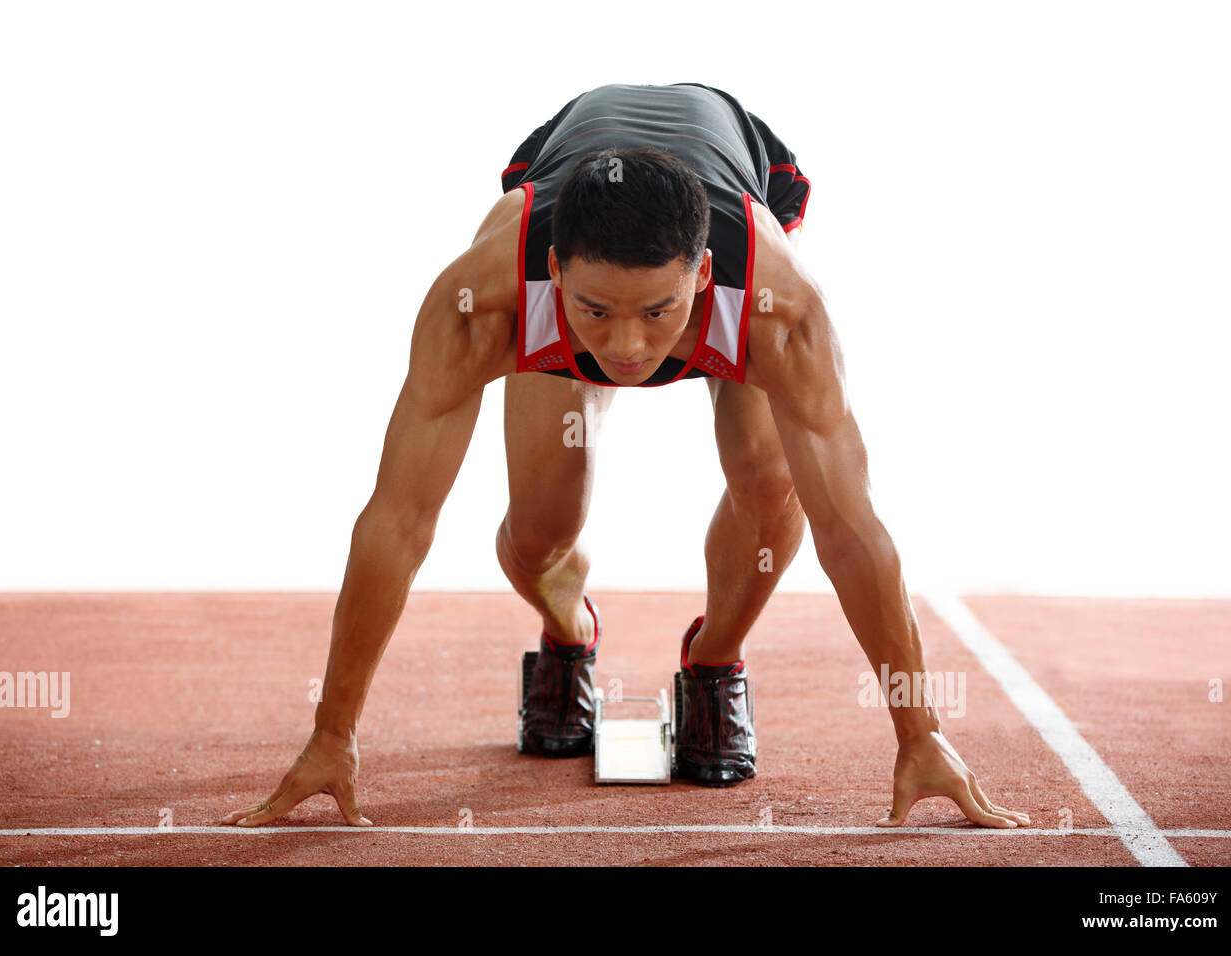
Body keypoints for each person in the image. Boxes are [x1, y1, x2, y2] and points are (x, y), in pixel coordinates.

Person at [223, 82, 1030, 829]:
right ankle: (568, 630)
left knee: (770, 479)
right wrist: (333, 732)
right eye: (595, 311)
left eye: (657, 312)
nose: (628, 346)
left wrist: (919, 732)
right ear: (552, 272)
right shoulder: (482, 303)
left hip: (734, 180)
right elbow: (397, 520)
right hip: (569, 199)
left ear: (704, 274)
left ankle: (711, 662)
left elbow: (854, 532)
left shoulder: (778, 312)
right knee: (541, 531)